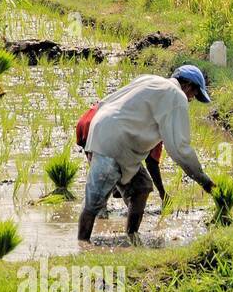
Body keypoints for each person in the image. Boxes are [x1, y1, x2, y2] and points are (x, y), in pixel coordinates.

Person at [78, 65, 216, 245]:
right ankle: (82, 244)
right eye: (194, 95)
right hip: (114, 142)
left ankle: (132, 237)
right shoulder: (177, 96)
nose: (191, 100)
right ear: (188, 85)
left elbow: (110, 101)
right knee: (94, 202)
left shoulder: (150, 79)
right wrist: (204, 180)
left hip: (105, 132)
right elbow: (179, 148)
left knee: (142, 187)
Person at [75, 103, 166, 202]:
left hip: (87, 120)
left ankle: (101, 208)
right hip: (104, 126)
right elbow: (151, 163)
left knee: (101, 176)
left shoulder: (143, 105)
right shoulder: (157, 127)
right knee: (139, 189)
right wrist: (163, 194)